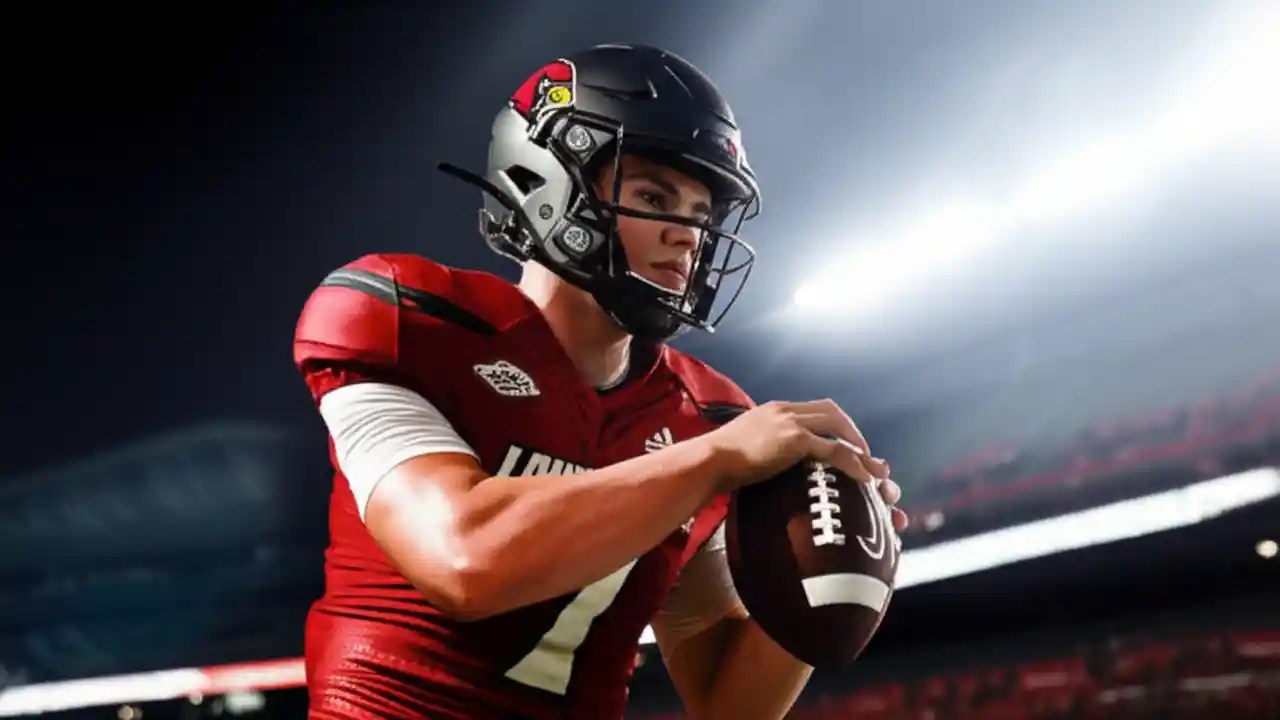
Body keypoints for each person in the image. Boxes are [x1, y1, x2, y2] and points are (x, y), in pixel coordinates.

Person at [293, 43, 907, 720]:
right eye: (654, 197)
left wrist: (830, 578)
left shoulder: (706, 415)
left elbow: (727, 704)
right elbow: (463, 559)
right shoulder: (408, 318)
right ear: (548, 182)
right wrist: (714, 460)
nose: (690, 237)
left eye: (703, 215)